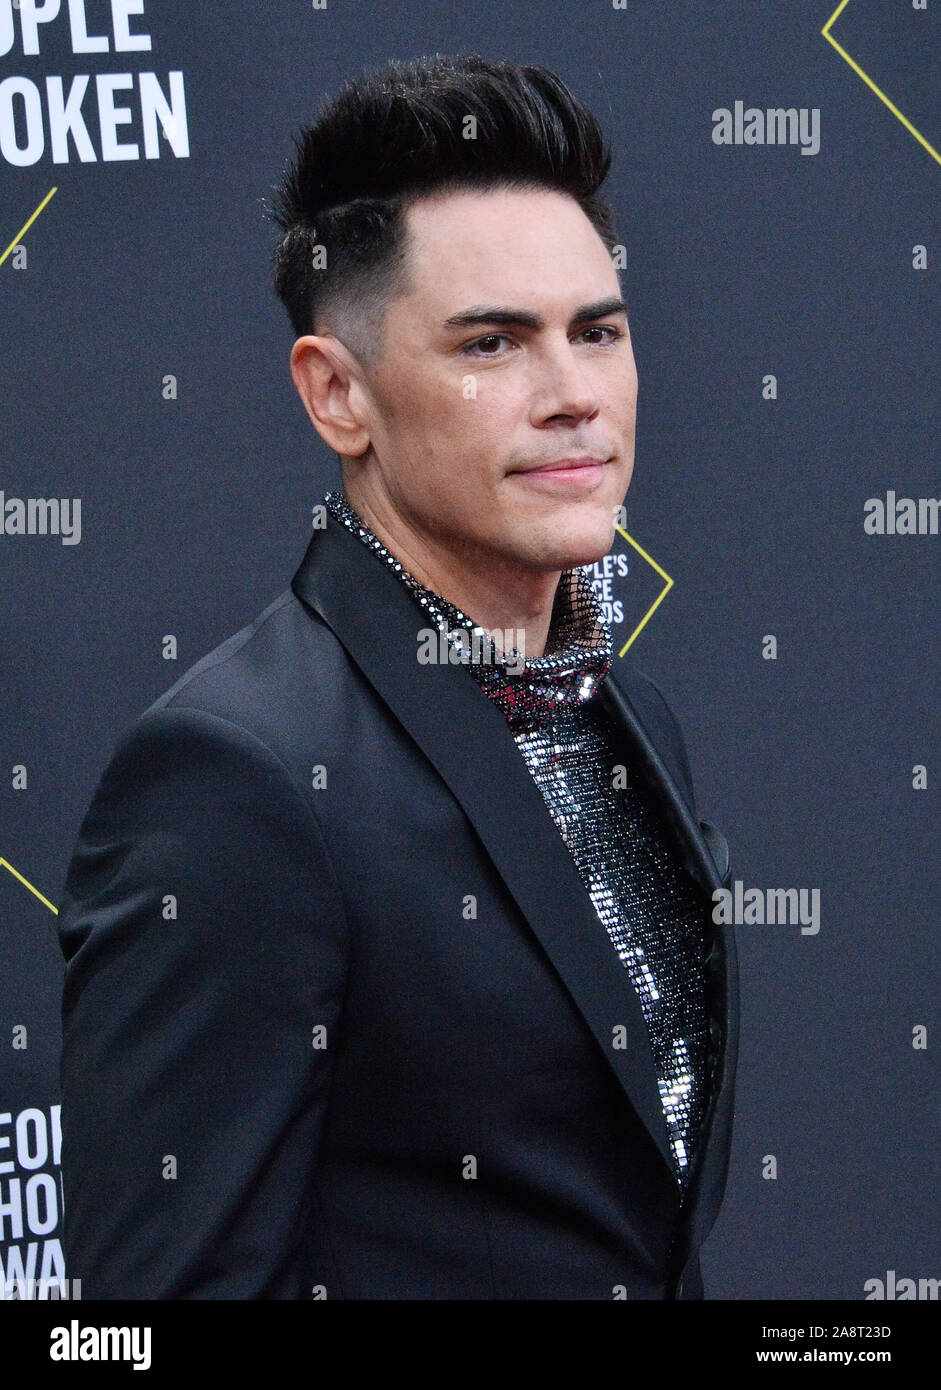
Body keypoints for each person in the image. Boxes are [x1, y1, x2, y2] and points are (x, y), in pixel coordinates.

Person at [57, 53, 738, 1300]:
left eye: (598, 331)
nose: (573, 394)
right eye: (493, 344)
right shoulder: (236, 777)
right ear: (337, 395)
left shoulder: (629, 716)